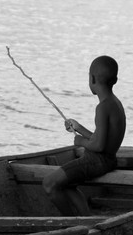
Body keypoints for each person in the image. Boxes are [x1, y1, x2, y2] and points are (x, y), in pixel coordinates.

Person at [43, 56, 126, 216]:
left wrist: (80, 141)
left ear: (92, 78)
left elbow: (99, 146)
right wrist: (78, 127)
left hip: (97, 161)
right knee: (67, 184)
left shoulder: (102, 108)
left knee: (49, 183)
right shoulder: (115, 103)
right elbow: (100, 138)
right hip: (107, 159)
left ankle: (71, 223)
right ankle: (86, 219)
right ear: (114, 80)